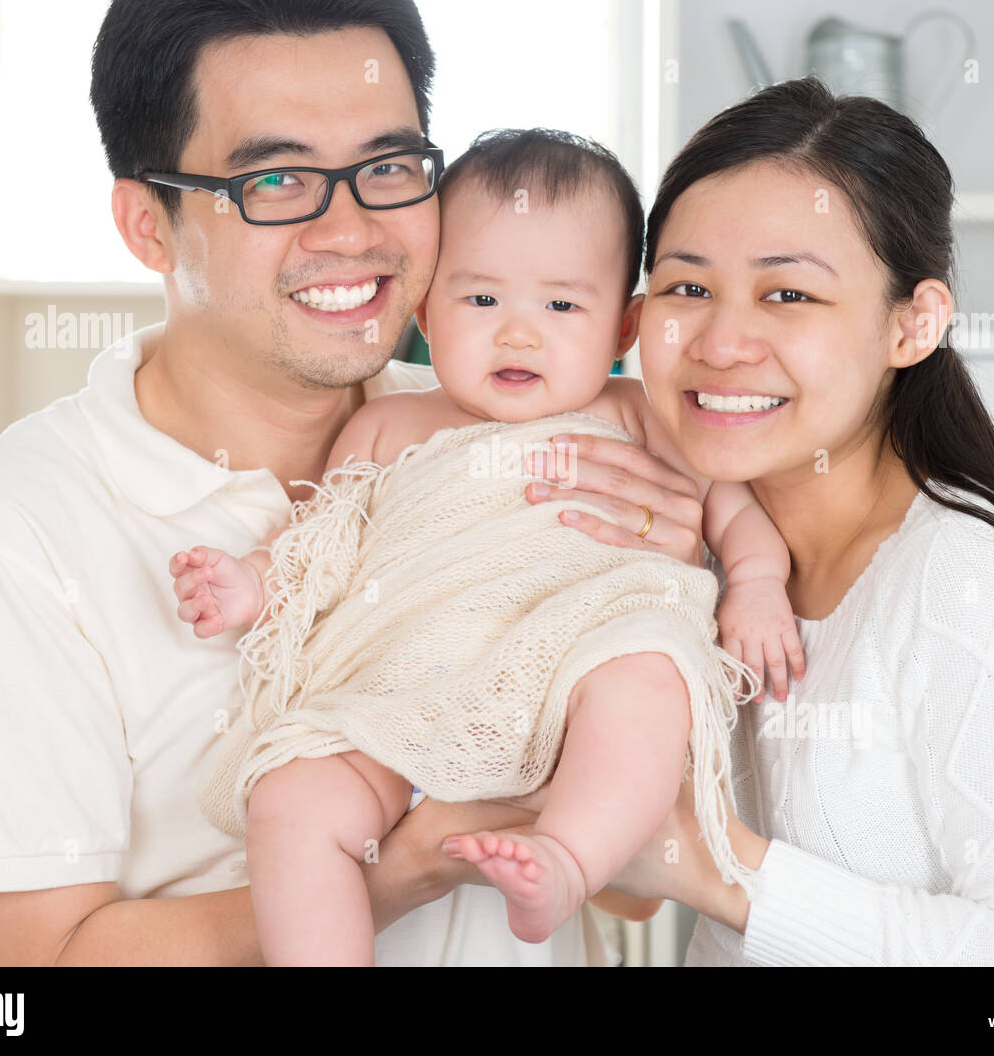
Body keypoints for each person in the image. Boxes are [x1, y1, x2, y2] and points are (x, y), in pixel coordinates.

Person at [0, 0, 705, 966]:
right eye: (274, 179)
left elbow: (632, 891)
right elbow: (32, 969)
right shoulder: (10, 532)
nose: (352, 230)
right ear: (149, 223)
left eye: (389, 167)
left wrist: (658, 588)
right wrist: (403, 866)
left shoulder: (507, 436)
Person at [169, 129, 805, 964]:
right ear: (427, 310)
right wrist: (252, 584)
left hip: (575, 666)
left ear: (625, 324)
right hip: (409, 689)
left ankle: (565, 858)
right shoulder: (390, 423)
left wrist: (756, 584)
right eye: (481, 302)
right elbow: (319, 540)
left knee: (648, 678)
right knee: (291, 798)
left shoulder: (635, 413)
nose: (518, 335)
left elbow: (735, 512)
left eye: (561, 306)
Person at [590, 76, 994, 965]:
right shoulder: (697, 545)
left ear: (914, 323)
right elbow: (631, 879)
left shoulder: (975, 579)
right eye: (686, 287)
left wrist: (721, 868)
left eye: (788, 295)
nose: (719, 341)